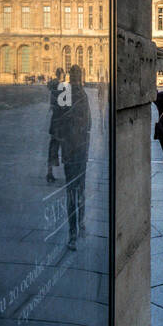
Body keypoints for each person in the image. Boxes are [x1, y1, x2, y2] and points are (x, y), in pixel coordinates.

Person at [61, 64, 92, 249]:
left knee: (76, 191)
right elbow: (61, 121)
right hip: (73, 149)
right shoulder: (68, 93)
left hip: (77, 149)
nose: (75, 79)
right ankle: (75, 229)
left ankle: (78, 226)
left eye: (76, 75)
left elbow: (87, 124)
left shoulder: (81, 95)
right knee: (75, 191)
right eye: (74, 75)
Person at [46, 67, 66, 184]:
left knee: (53, 147)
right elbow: (65, 106)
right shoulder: (62, 87)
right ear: (61, 75)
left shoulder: (53, 87)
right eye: (63, 74)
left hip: (54, 121)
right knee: (65, 147)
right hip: (62, 121)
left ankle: (49, 172)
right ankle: (67, 172)